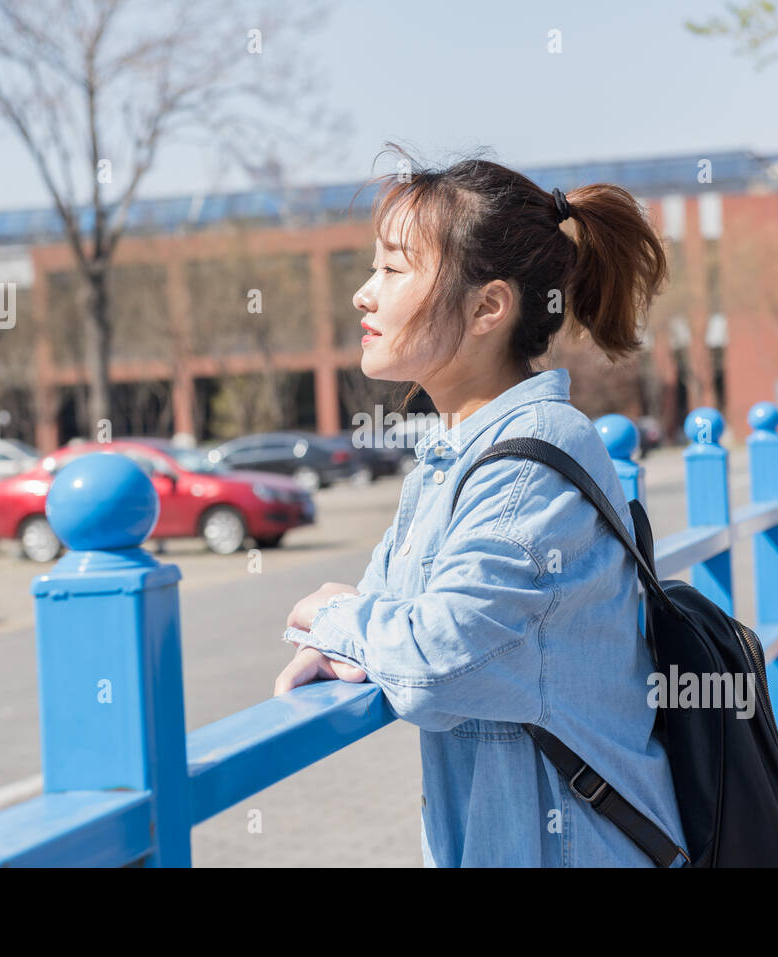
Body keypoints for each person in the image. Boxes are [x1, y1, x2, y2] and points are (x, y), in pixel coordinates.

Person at [273, 146, 686, 867]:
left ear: (488, 306)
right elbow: (392, 621)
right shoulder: (448, 463)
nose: (364, 295)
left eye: (394, 271)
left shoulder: (530, 464)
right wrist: (354, 631)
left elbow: (433, 661)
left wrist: (339, 618)